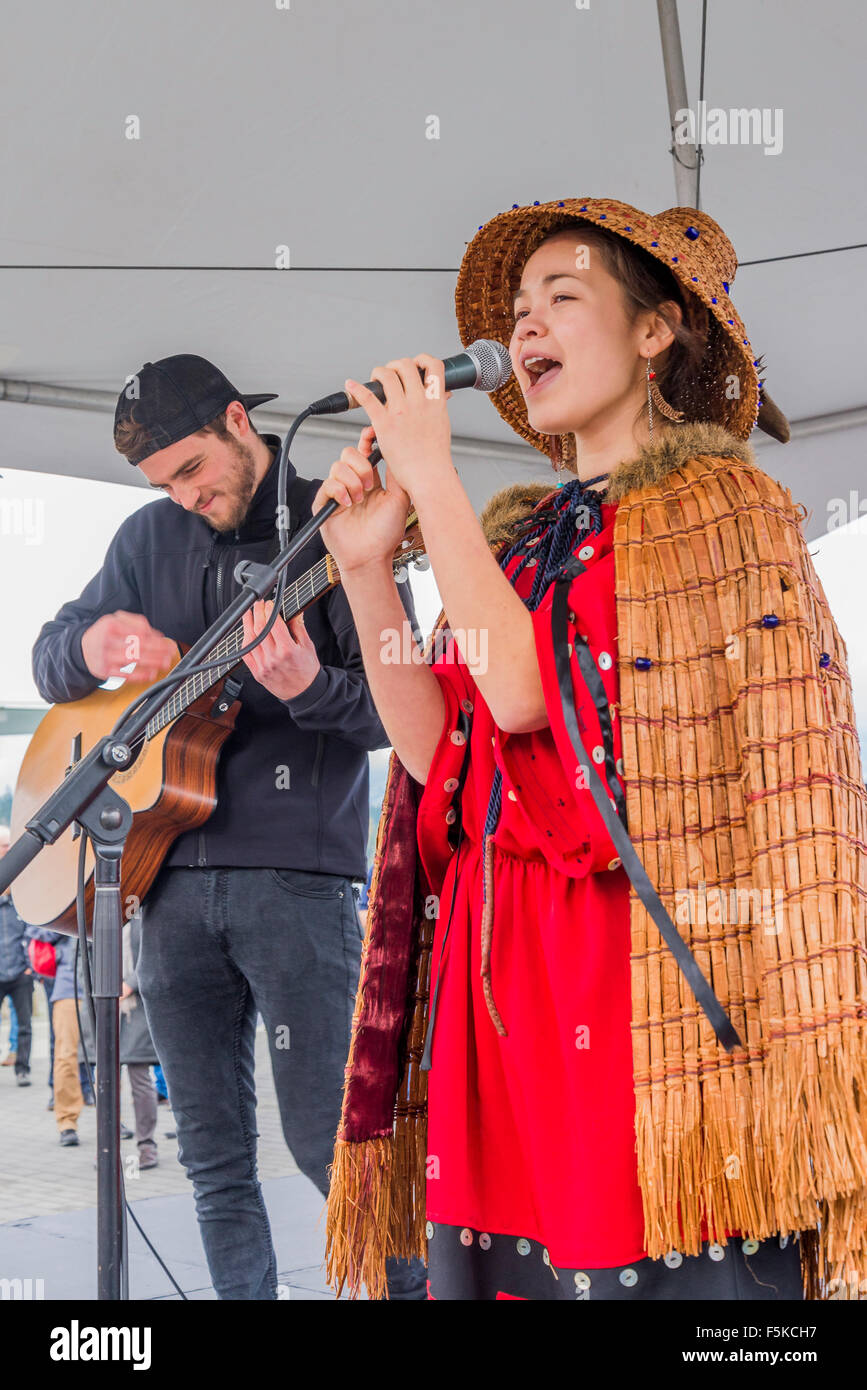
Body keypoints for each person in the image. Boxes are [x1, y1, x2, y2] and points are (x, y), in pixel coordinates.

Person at [321, 197, 867, 1301]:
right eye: (519, 311)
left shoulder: (730, 508)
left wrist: (434, 481)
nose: (524, 330)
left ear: (656, 330)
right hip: (498, 994)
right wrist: (370, 570)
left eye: (561, 298)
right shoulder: (524, 538)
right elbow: (443, 751)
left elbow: (524, 696)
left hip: (637, 991)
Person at [31, 354, 425, 1299]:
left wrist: (310, 687)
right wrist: (94, 645)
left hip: (296, 881)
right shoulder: (145, 538)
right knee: (211, 1156)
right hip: (159, 881)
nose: (184, 495)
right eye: (164, 483)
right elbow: (52, 659)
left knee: (332, 1145)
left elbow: (397, 712)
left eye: (192, 470)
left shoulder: (340, 522)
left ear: (241, 422)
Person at [120, 915, 159, 1169]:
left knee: (139, 1077)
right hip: (102, 1005)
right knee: (104, 1081)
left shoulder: (140, 916)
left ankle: (146, 1145)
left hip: (136, 1006)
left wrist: (128, 986)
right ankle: (107, 1147)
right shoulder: (95, 917)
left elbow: (151, 954)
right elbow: (84, 961)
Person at [0, 825, 33, 1087]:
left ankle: (23, 1068)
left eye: (9, 845)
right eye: (3, 845)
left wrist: (30, 966)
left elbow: (34, 925)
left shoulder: (22, 882)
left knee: (24, 1024)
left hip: (21, 970)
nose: (7, 850)